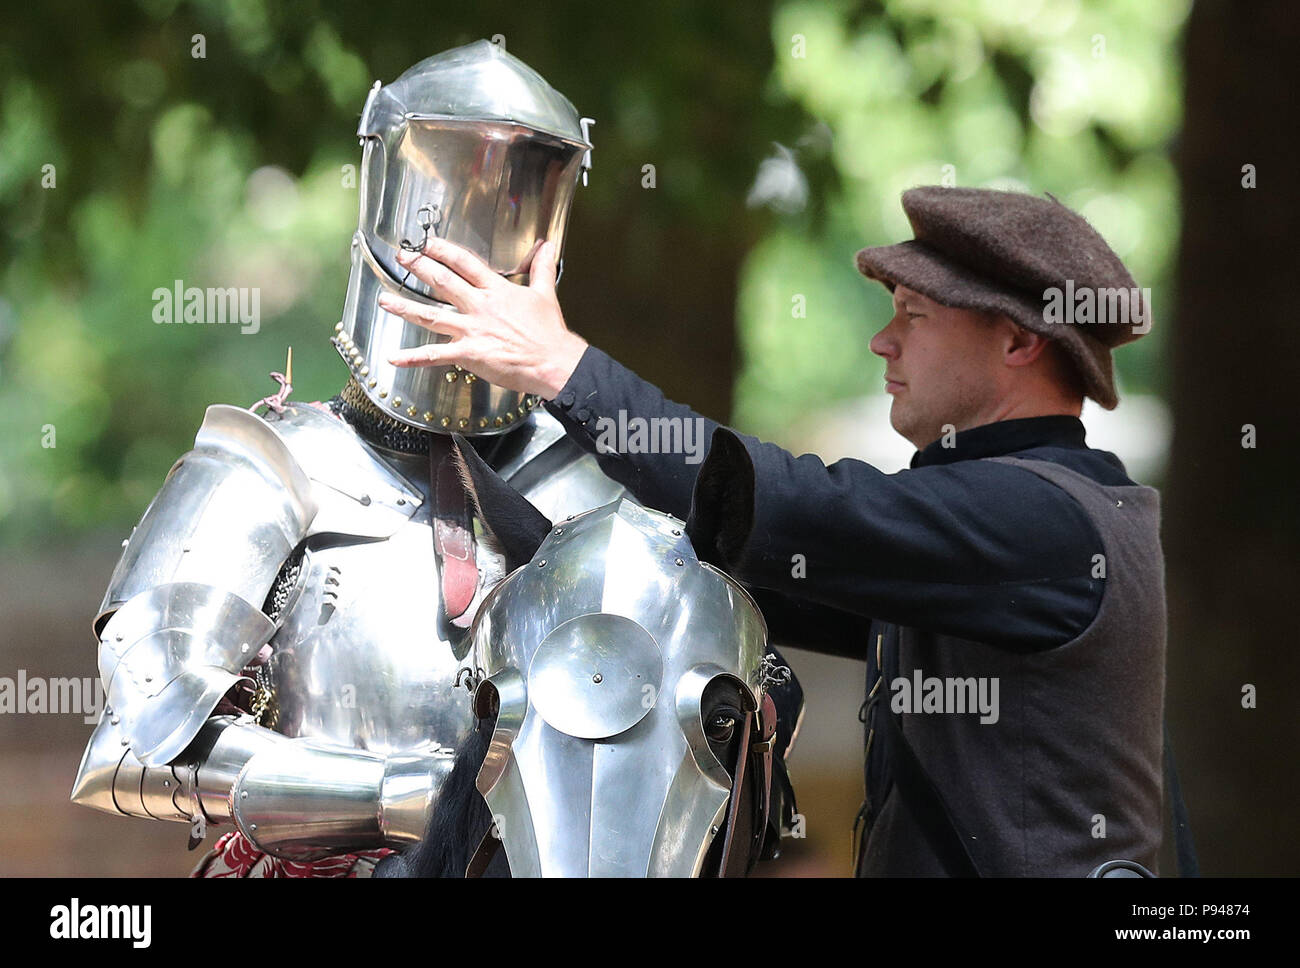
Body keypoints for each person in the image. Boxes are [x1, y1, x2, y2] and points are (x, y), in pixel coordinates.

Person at [376, 185, 1168, 876]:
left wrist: (559, 367)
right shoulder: (1021, 516)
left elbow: (779, 505)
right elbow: (740, 570)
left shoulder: (1041, 521)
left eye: (914, 316)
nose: (882, 341)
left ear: (1019, 341)